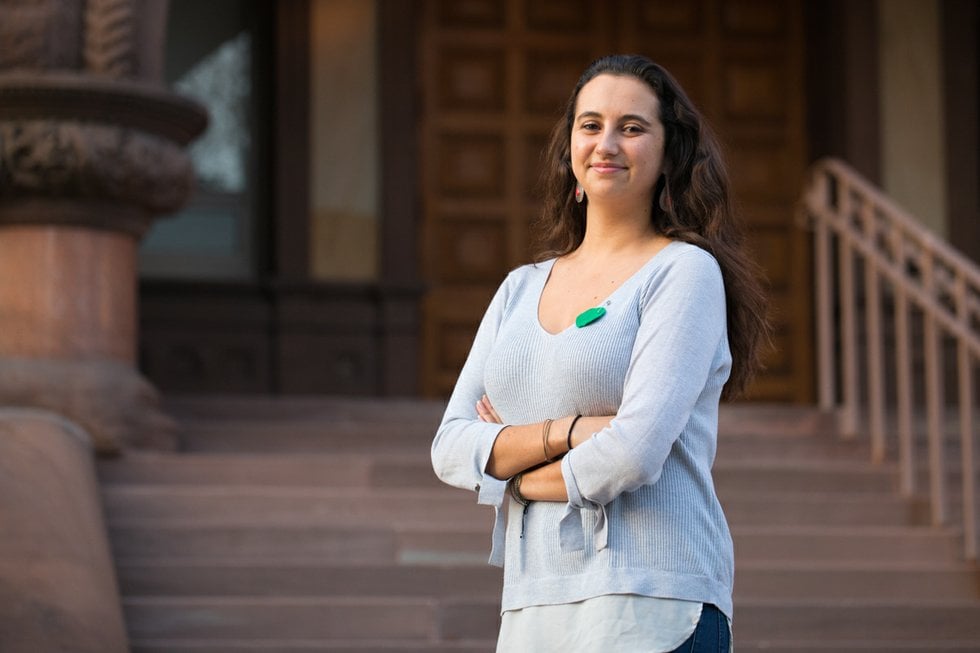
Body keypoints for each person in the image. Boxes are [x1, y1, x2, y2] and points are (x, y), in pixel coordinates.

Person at [431, 54, 770, 652]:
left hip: (652, 603)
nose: (606, 143)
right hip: (533, 606)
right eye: (590, 125)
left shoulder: (682, 273)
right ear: (569, 149)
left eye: (632, 128)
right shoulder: (520, 287)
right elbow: (451, 446)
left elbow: (634, 453)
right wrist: (572, 430)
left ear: (669, 152)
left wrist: (512, 477)